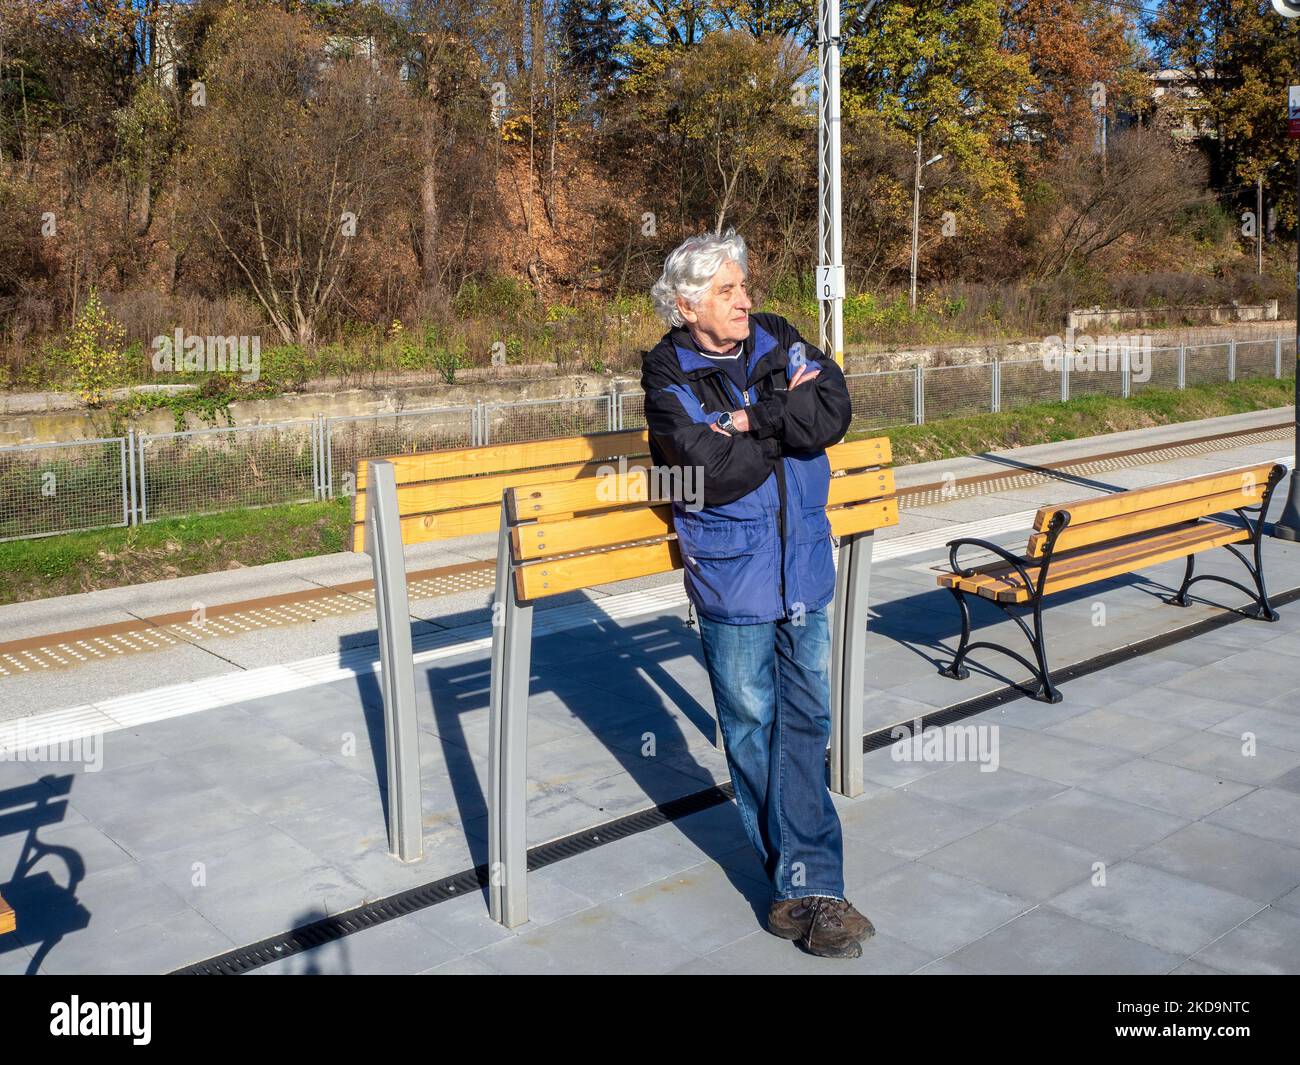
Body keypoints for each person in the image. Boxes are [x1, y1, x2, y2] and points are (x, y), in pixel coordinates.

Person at [642, 228, 875, 959]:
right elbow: (710, 469)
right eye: (727, 291)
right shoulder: (666, 374)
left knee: (805, 723)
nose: (745, 301)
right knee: (752, 729)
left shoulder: (776, 337)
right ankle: (806, 886)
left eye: (744, 286)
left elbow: (832, 410)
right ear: (687, 305)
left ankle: (805, 888)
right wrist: (780, 423)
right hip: (734, 576)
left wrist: (749, 420)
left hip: (802, 567)